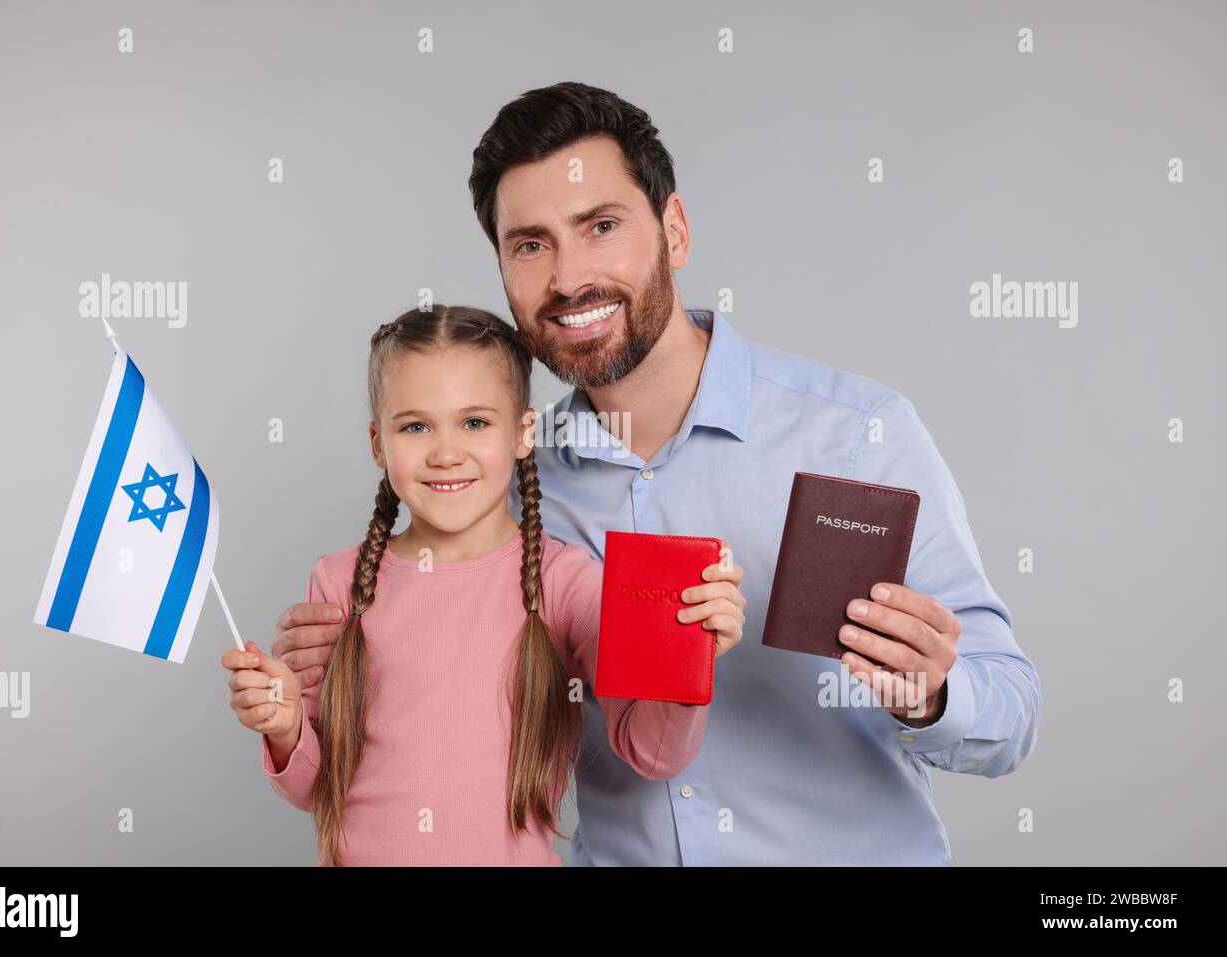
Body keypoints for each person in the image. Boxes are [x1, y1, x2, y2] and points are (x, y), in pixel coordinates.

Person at [273, 83, 1043, 865]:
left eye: (601, 226)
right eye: (531, 244)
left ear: (674, 230)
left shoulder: (855, 434)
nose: (569, 279)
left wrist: (934, 692)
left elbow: (1011, 716)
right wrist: (340, 653)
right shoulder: (505, 494)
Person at [222, 305, 745, 865]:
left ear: (523, 432)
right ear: (378, 443)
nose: (446, 453)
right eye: (415, 426)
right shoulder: (338, 581)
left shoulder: (566, 583)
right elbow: (313, 787)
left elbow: (653, 751)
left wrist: (688, 655)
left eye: (475, 422)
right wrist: (285, 725)